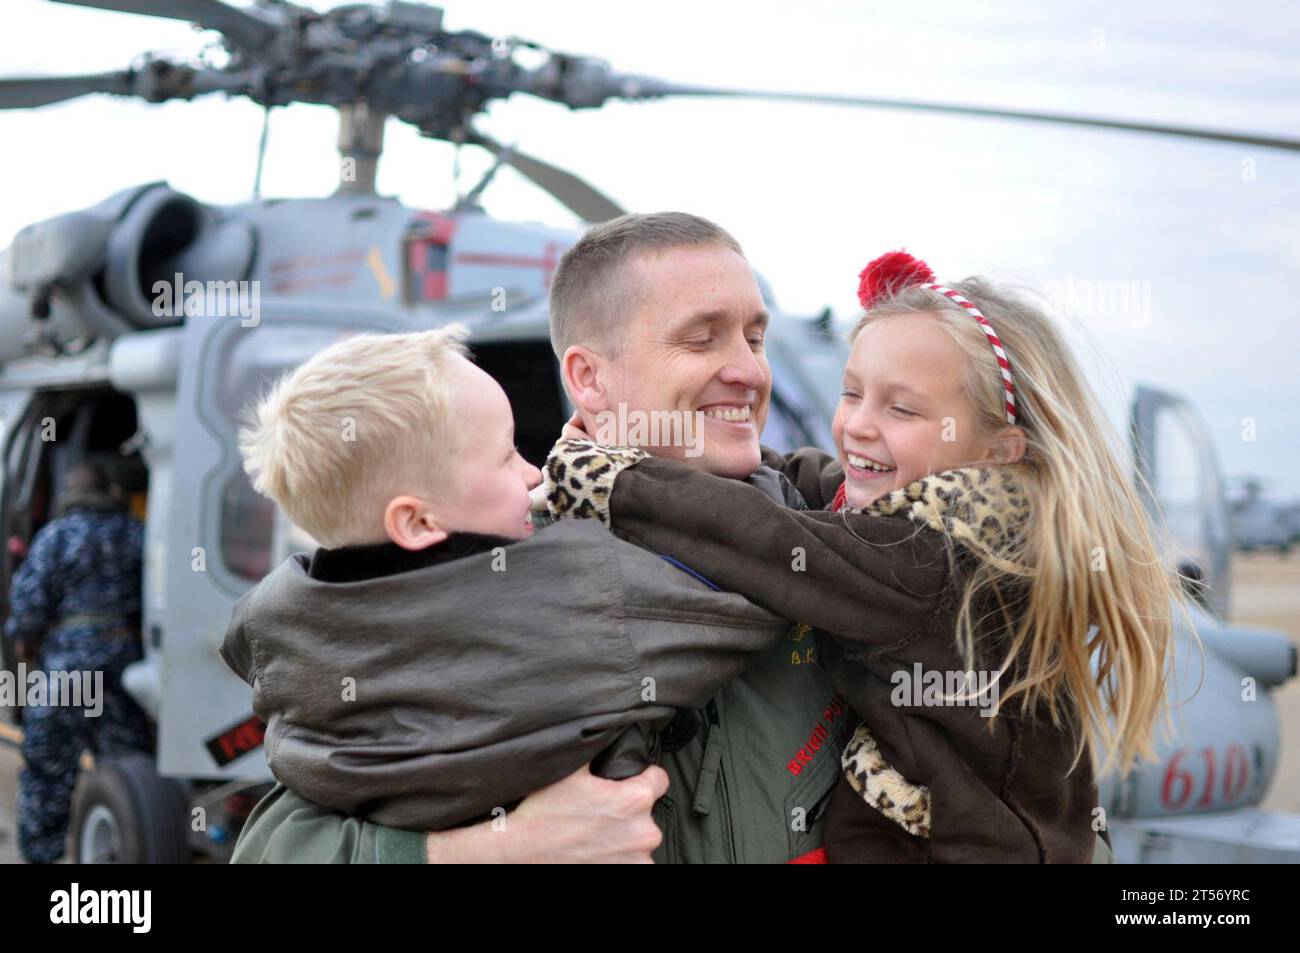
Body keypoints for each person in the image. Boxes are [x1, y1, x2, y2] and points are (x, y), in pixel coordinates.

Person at [229, 212, 848, 863]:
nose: (749, 371)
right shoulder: (492, 583)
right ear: (587, 378)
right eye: (702, 339)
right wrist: (495, 848)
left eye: (755, 337)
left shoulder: (835, 553)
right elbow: (280, 845)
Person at [542, 250, 1179, 861]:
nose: (855, 426)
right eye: (851, 394)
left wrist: (610, 479)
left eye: (901, 408)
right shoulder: (978, 530)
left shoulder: (928, 560)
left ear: (996, 449)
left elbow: (771, 542)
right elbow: (815, 492)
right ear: (587, 378)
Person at [5, 459, 153, 863]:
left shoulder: (54, 537)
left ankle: (43, 856)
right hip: (125, 668)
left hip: (67, 669)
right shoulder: (137, 534)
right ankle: (126, 842)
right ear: (111, 492)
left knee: (47, 770)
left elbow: (27, 608)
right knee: (127, 766)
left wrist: (25, 643)